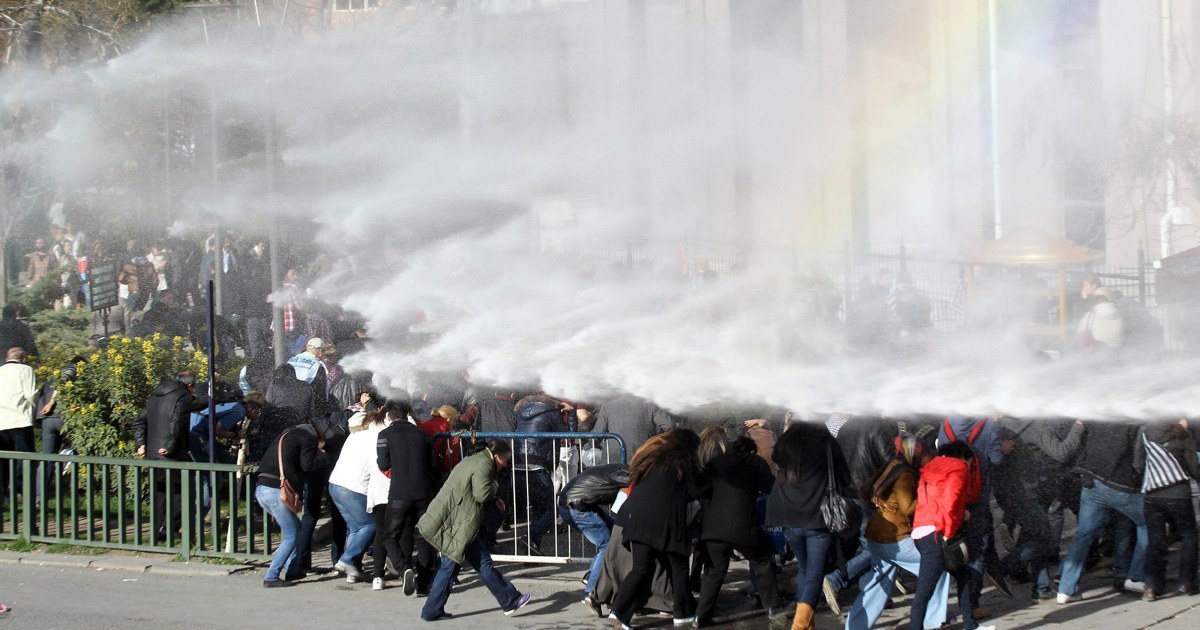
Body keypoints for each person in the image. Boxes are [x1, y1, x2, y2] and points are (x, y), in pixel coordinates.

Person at [417, 439, 532, 621]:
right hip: (458, 523)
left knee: (453, 567)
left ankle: (432, 610)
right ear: (497, 456)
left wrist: (494, 499)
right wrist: (495, 487)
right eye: (506, 460)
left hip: (455, 520)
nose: (506, 464)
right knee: (474, 564)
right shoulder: (485, 464)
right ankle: (510, 599)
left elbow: (474, 489)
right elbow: (481, 493)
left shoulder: (475, 459)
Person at [844, 435, 947, 630]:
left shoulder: (892, 464)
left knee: (877, 585)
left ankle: (854, 626)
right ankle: (933, 621)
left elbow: (865, 491)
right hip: (895, 540)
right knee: (938, 567)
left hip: (875, 535)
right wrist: (930, 495)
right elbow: (908, 508)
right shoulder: (905, 475)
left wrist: (882, 504)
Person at [608, 428, 705, 630]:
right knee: (678, 567)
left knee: (640, 568)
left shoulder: (651, 458)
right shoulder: (683, 460)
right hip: (665, 523)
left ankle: (618, 612)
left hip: (636, 519)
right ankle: (683, 613)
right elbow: (696, 490)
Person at [767, 420, 850, 630]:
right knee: (814, 573)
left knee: (805, 569)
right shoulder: (827, 443)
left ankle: (807, 623)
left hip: (787, 514)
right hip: (816, 517)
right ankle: (799, 624)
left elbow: (776, 457)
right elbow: (845, 478)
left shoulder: (787, 440)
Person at [695, 436, 785, 627]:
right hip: (743, 525)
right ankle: (773, 607)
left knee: (714, 572)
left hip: (713, 527)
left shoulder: (716, 462)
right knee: (761, 560)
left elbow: (702, 489)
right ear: (752, 450)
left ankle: (701, 616)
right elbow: (769, 487)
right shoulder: (755, 461)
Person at [1056, 420, 1148, 603]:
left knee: (1084, 533)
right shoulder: (1134, 421)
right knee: (1149, 523)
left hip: (1092, 481)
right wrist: (1139, 481)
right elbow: (1139, 460)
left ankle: (1066, 588)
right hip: (1121, 484)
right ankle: (1135, 576)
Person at [909, 442, 987, 630]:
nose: (969, 468)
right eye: (970, 463)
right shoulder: (958, 468)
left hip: (921, 531)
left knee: (964, 575)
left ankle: (971, 624)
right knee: (924, 592)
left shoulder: (931, 468)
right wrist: (950, 532)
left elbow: (932, 500)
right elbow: (950, 502)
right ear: (963, 458)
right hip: (938, 534)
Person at [375, 400, 440, 595]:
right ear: (407, 414)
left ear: (389, 416)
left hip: (398, 493)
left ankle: (404, 569)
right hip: (422, 492)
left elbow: (383, 464)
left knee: (390, 535)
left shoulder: (384, 435)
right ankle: (423, 585)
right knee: (424, 537)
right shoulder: (422, 434)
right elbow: (433, 464)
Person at [1132, 419, 1200, 601]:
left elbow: (1138, 464)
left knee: (1155, 540)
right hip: (1179, 494)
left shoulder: (1144, 430)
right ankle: (1187, 582)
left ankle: (1152, 587)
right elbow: (1194, 468)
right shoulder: (1183, 433)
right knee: (1189, 536)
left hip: (1152, 494)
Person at [255, 422, 328, 587]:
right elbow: (307, 465)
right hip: (276, 491)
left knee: (296, 528)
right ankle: (271, 576)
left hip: (262, 488)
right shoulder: (309, 438)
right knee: (291, 535)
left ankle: (293, 570)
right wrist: (323, 457)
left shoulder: (286, 435)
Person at [557, 462, 630, 617]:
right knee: (608, 544)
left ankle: (591, 576)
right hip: (576, 506)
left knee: (613, 533)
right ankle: (591, 592)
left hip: (575, 503)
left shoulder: (617, 468)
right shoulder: (624, 474)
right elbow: (630, 482)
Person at [133, 371, 199, 541]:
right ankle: (170, 529)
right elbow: (177, 421)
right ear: (190, 385)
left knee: (159, 493)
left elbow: (139, 421)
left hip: (153, 454)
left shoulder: (155, 396)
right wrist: (169, 446)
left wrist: (140, 444)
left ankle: (157, 532)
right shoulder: (183, 397)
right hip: (173, 453)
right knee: (184, 493)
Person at [327, 407, 383, 583]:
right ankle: (346, 559)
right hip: (354, 487)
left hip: (335, 484)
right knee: (371, 525)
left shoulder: (356, 435)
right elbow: (379, 465)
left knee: (355, 528)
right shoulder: (375, 437)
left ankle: (354, 570)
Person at [512, 394, 569, 554]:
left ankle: (532, 550)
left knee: (539, 509)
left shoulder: (521, 413)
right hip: (538, 465)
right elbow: (567, 434)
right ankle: (530, 536)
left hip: (518, 464)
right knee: (551, 510)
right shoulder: (551, 412)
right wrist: (568, 415)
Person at [591, 394, 674, 462]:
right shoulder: (652, 405)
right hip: (643, 461)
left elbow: (595, 437)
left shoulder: (607, 406)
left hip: (613, 463)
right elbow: (670, 427)